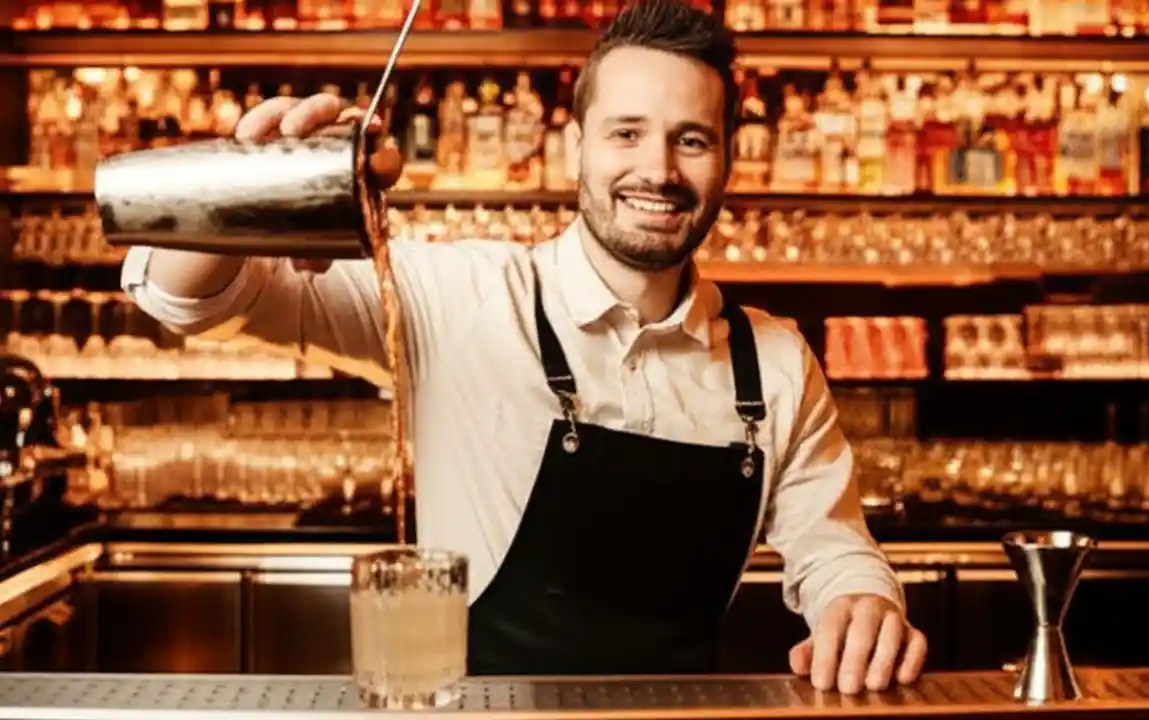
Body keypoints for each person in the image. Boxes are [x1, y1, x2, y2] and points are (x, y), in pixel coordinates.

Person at [119, 0, 927, 695]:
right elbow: (185, 297)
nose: (657, 168)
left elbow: (834, 550)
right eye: (627, 133)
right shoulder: (455, 298)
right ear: (576, 147)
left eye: (691, 140)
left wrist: (863, 605)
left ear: (728, 161)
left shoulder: (776, 363)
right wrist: (246, 183)